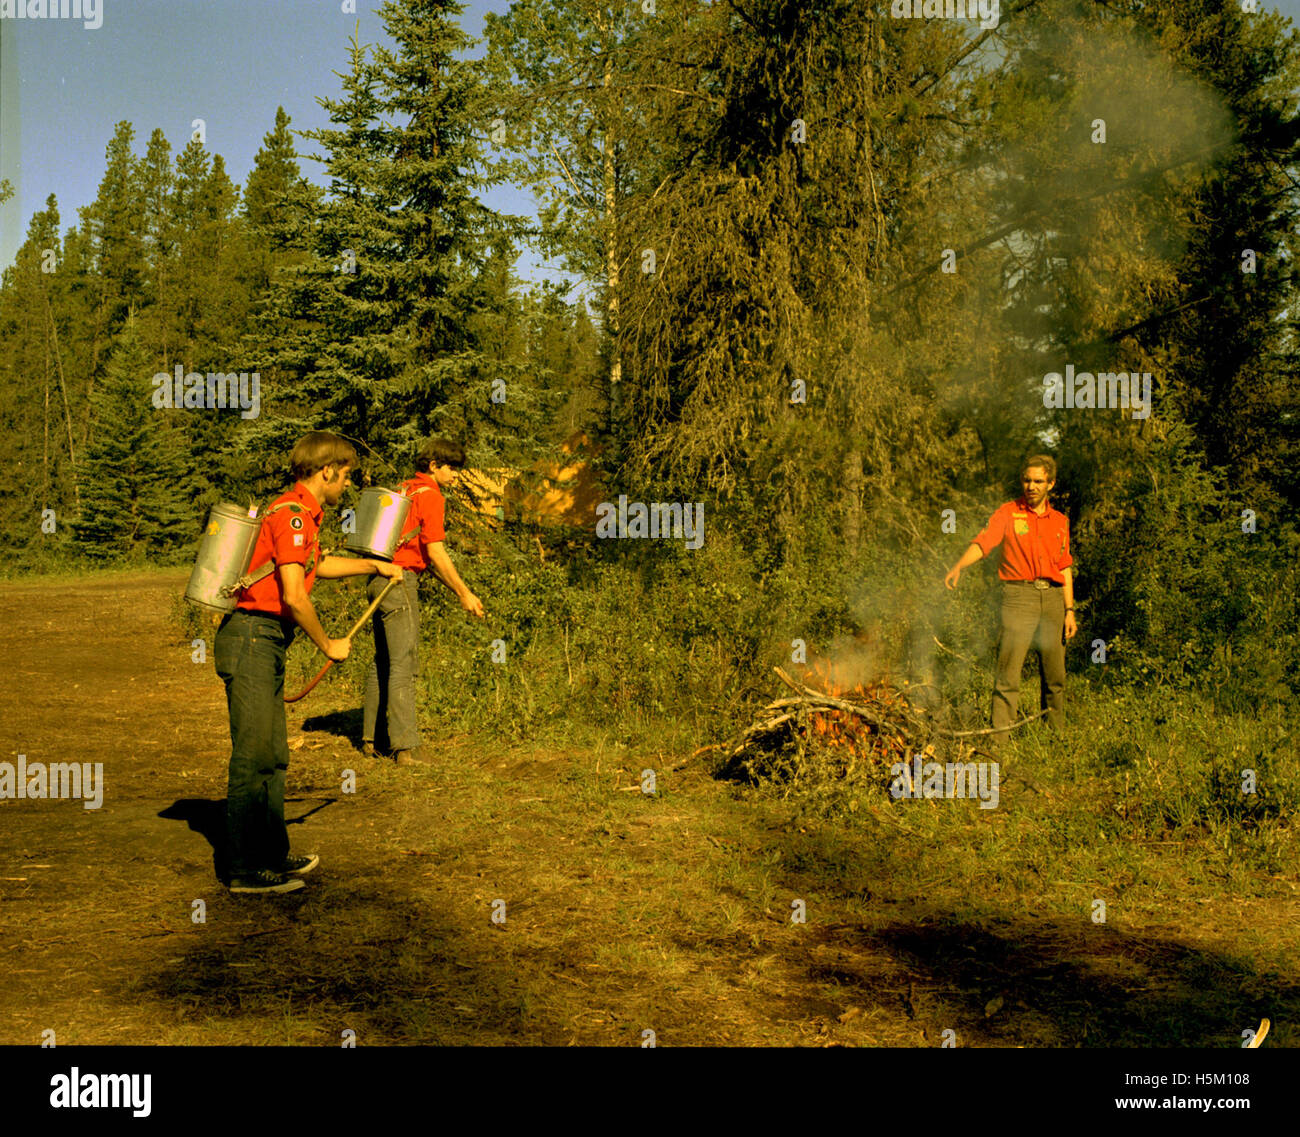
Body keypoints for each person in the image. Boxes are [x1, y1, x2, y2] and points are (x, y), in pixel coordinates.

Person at [215, 431, 403, 894]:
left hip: (266, 641)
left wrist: (373, 566)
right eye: (346, 477)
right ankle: (242, 869)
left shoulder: (302, 516)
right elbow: (295, 596)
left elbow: (315, 567)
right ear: (326, 471)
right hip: (252, 638)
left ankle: (271, 855)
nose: (347, 486)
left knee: (274, 755)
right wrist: (329, 644)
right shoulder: (293, 515)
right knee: (253, 756)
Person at [361, 438, 485, 767]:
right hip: (400, 582)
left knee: (383, 660)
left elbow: (427, 559)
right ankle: (406, 749)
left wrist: (457, 590)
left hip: (376, 578)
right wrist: (464, 592)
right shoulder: (431, 496)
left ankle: (370, 739)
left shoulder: (404, 489)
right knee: (404, 662)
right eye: (453, 468)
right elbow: (436, 553)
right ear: (434, 467)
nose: (457, 474)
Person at [944, 455, 1078, 737]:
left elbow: (1065, 567)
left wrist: (1069, 610)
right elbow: (983, 543)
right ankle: (1001, 740)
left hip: (1054, 599)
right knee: (1008, 673)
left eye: (1038, 481)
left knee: (1055, 676)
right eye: (1027, 480)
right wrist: (959, 566)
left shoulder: (1060, 521)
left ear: (1050, 484)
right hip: (1019, 597)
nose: (1031, 486)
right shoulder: (1008, 512)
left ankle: (1057, 736)